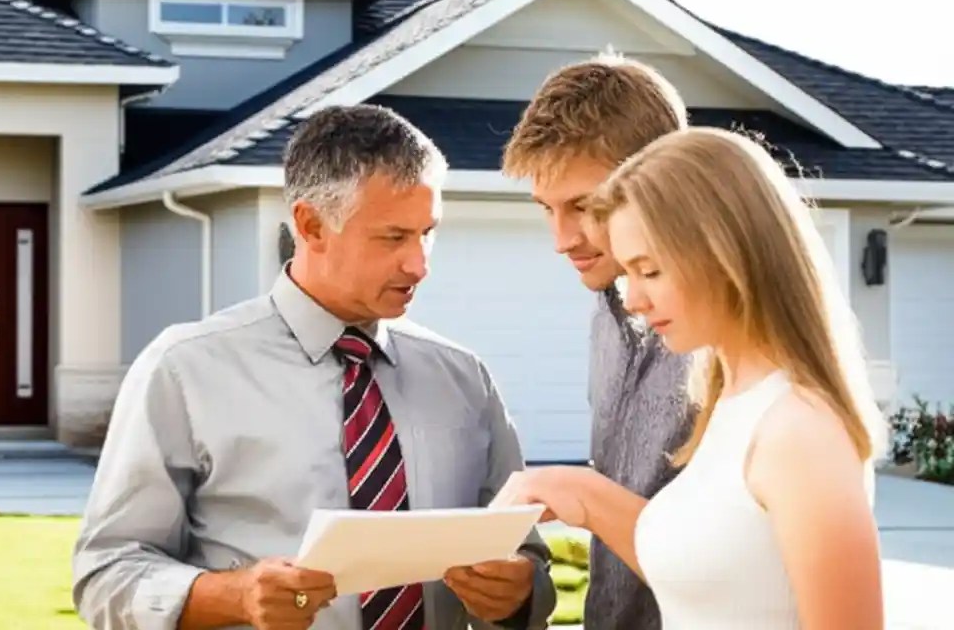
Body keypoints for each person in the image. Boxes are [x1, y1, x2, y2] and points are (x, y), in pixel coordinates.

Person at [72, 104, 556, 630]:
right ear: (311, 225)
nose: (419, 264)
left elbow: (528, 562)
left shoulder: (464, 379)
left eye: (428, 232)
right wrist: (235, 595)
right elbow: (106, 575)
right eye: (393, 237)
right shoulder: (186, 369)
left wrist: (520, 594)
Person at [495, 127, 887, 629]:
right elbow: (712, 576)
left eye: (650, 271)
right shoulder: (732, 401)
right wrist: (579, 493)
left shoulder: (799, 431)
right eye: (628, 273)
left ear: (729, 254)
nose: (633, 300)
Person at [500, 53, 693, 629]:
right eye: (546, 210)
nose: (561, 239)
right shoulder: (606, 317)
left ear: (662, 178)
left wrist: (579, 493)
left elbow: (748, 558)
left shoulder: (740, 340)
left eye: (582, 206)